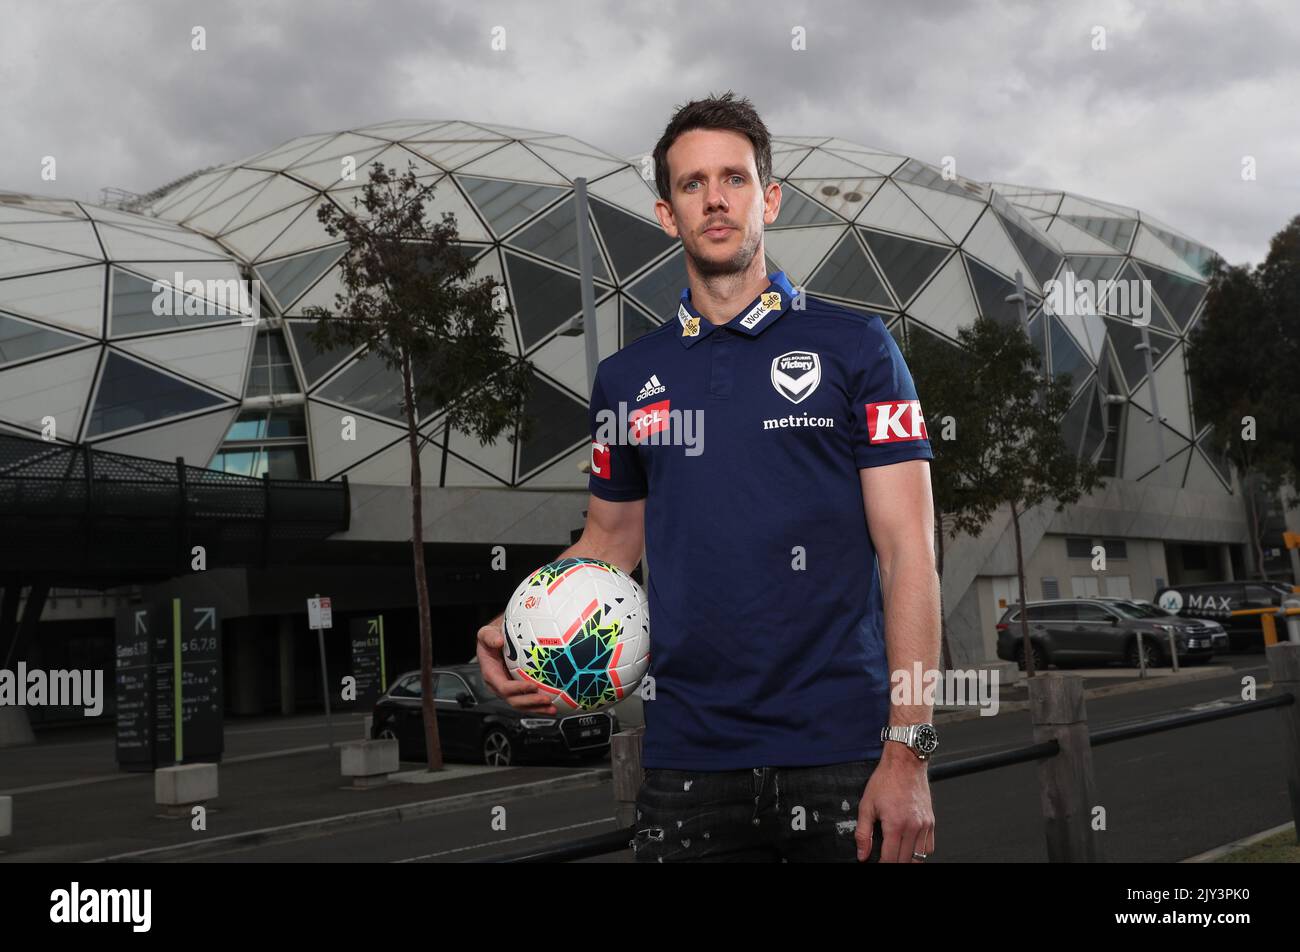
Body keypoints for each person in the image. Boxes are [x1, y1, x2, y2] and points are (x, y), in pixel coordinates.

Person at [478, 91, 940, 863]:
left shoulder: (857, 348)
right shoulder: (628, 378)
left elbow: (909, 554)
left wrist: (910, 750)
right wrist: (517, 621)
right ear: (668, 214)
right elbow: (609, 541)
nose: (715, 199)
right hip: (688, 761)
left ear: (771, 198)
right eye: (692, 184)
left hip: (846, 754)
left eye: (734, 178)